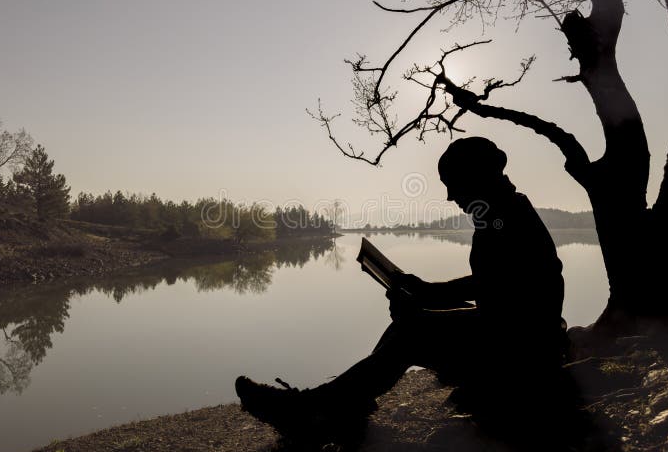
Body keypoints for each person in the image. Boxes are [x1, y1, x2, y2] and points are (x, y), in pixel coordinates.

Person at [235, 137, 567, 435]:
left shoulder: (507, 217)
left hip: (526, 347)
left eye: (453, 183)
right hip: (519, 332)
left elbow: (502, 293)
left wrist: (426, 299)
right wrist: (424, 294)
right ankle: (347, 402)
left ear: (477, 176)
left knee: (411, 330)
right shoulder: (502, 212)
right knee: (406, 327)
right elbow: (495, 291)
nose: (450, 196)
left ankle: (307, 409)